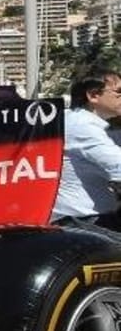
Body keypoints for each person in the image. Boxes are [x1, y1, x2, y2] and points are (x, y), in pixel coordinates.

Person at [52, 70, 121, 233]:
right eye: (119, 92)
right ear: (93, 95)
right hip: (82, 222)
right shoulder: (82, 126)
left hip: (87, 218)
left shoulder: (82, 121)